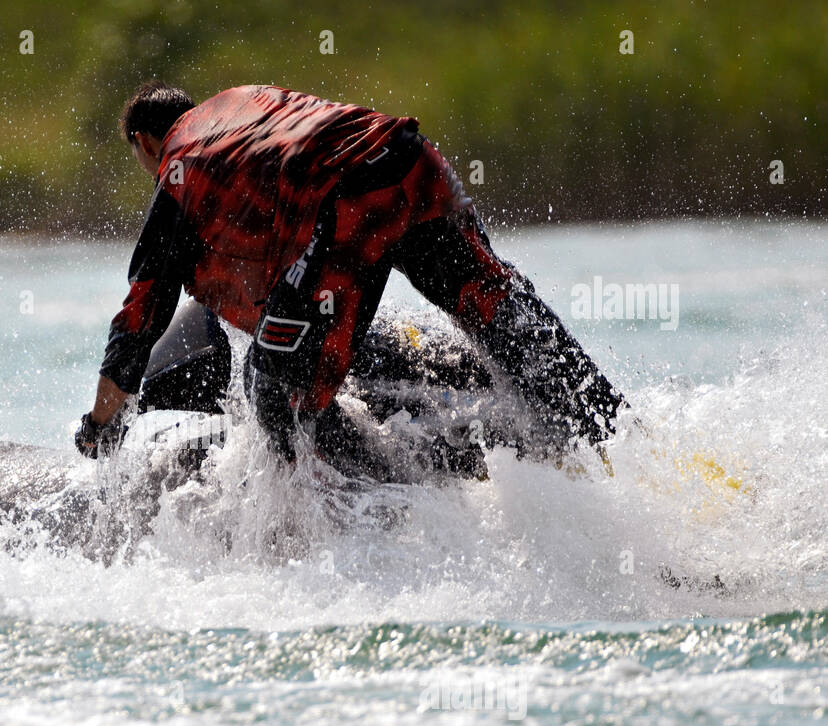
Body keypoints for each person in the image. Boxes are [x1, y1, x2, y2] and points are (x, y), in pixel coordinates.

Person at [75, 81, 625, 478]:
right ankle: (622, 448)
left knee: (273, 390)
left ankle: (402, 508)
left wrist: (102, 426)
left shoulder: (177, 164)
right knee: (497, 312)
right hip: (410, 159)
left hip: (346, 205)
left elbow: (140, 314)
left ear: (147, 144)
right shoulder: (243, 108)